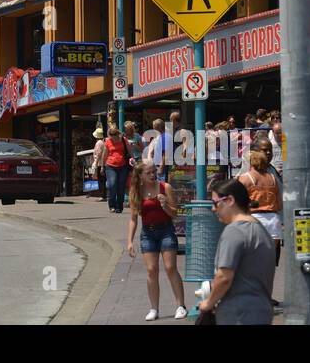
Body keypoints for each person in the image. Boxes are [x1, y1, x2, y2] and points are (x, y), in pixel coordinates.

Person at [198, 177, 275, 325]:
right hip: (260, 310)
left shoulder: (234, 231)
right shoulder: (261, 230)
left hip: (238, 313)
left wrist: (208, 302)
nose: (213, 209)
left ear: (230, 200)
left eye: (215, 203)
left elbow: (225, 276)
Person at [126, 160, 187, 321]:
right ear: (140, 176)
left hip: (166, 230)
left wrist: (165, 204)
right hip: (148, 233)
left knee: (170, 267)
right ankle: (154, 308)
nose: (153, 175)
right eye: (149, 173)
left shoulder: (165, 187)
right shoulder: (136, 191)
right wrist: (130, 241)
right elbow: (133, 218)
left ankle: (180, 305)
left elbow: (175, 214)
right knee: (152, 270)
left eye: (154, 171)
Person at [239, 146, 283, 265]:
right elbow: (279, 205)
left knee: (252, 260)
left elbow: (238, 202)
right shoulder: (272, 178)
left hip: (255, 219)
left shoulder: (245, 178)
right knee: (268, 261)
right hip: (273, 221)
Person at [103, 125, 132, 214]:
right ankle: (112, 205)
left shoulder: (124, 140)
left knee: (121, 186)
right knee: (112, 185)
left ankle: (119, 206)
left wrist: (132, 161)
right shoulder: (108, 142)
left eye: (114, 134)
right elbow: (105, 155)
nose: (113, 136)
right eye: (111, 134)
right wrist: (101, 166)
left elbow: (129, 152)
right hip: (110, 166)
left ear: (118, 133)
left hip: (123, 166)